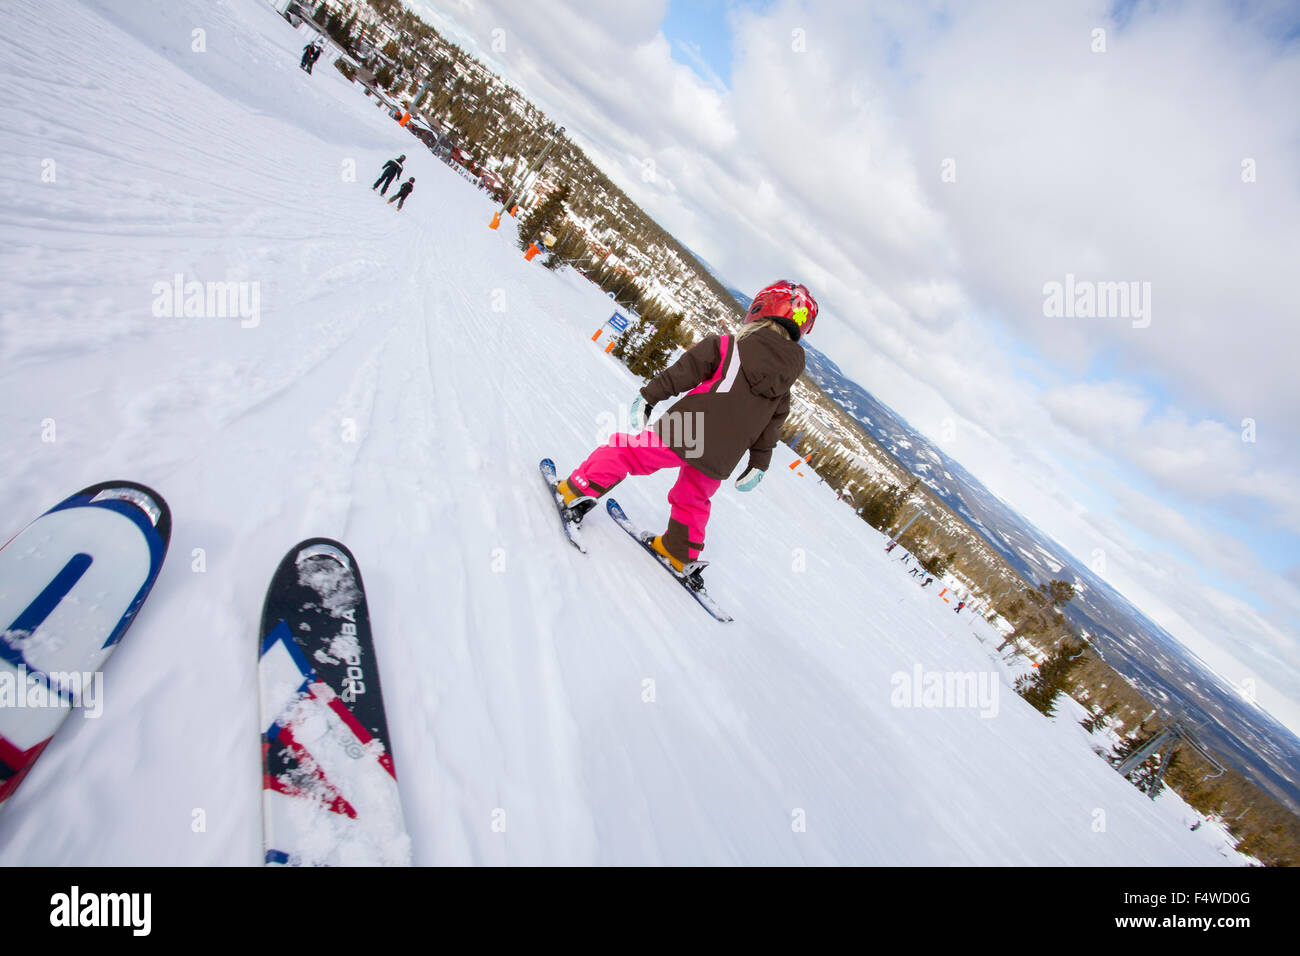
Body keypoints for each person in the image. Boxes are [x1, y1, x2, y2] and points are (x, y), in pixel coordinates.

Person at [554, 280, 817, 583]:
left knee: (629, 453)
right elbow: (770, 431)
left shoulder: (726, 346)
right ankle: (680, 552)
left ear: (760, 311)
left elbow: (682, 374)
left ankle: (576, 490)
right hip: (725, 452)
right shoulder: (783, 388)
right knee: (694, 497)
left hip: (690, 427)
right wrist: (758, 464)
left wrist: (649, 396)